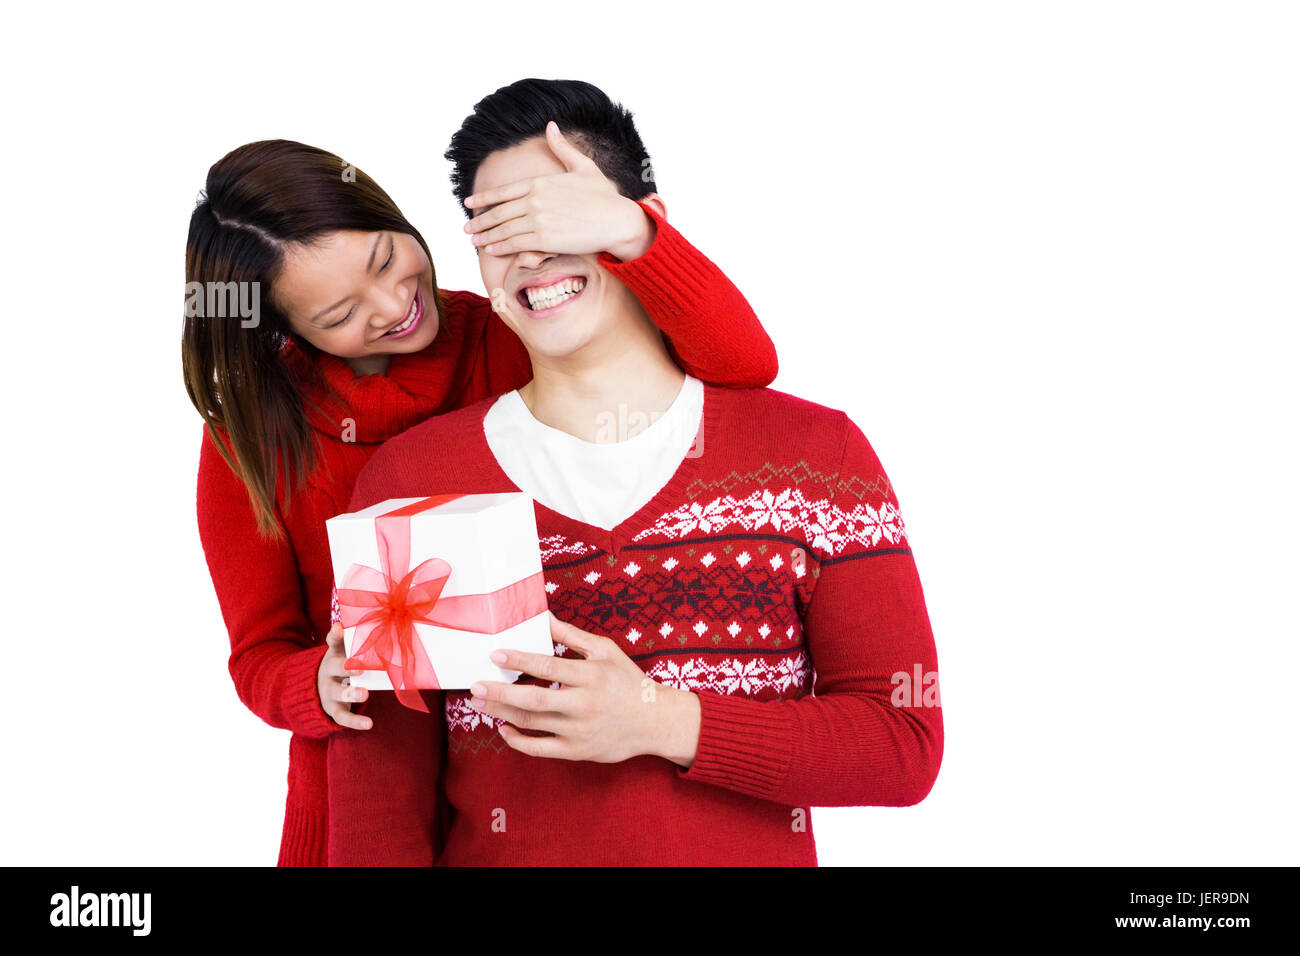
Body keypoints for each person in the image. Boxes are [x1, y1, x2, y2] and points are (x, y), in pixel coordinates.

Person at [325, 78, 943, 866]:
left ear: (638, 219)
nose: (528, 252)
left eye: (553, 215)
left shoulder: (816, 455)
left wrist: (659, 721)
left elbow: (903, 744)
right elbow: (379, 798)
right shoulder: (417, 476)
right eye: (496, 230)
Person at [184, 124, 779, 866]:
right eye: (339, 315)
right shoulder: (254, 438)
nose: (393, 303)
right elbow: (257, 657)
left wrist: (635, 227)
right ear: (287, 331)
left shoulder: (512, 327)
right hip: (363, 798)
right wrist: (321, 679)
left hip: (542, 787)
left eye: (385, 258)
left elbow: (742, 365)